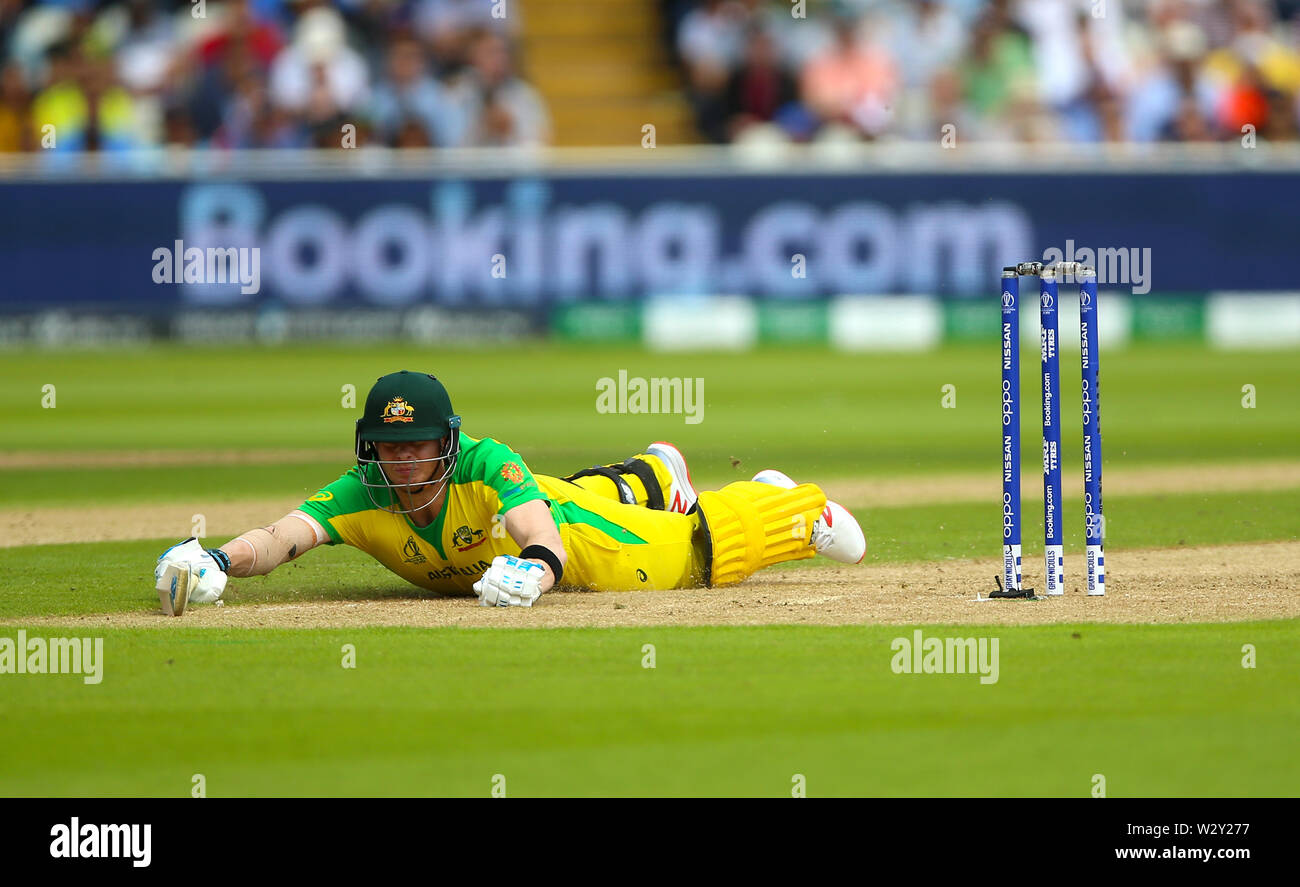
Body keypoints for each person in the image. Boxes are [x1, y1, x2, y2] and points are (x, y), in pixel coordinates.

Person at [153, 371, 865, 614]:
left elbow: (540, 531)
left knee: (693, 557)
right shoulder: (359, 493)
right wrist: (215, 558)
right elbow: (281, 537)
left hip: (575, 535)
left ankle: (790, 504)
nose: (401, 462)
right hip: (557, 499)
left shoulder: (487, 461)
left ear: (446, 443)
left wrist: (537, 567)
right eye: (388, 447)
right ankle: (656, 474)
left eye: (416, 446)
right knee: (590, 488)